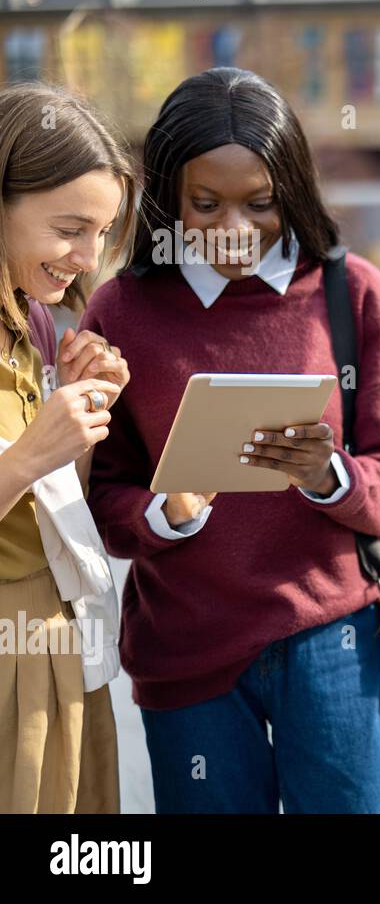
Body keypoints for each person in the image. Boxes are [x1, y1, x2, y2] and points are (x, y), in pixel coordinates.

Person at [79, 68, 380, 813]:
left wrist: (329, 474)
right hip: (186, 647)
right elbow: (100, 496)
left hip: (331, 641)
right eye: (205, 204)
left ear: (290, 189)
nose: (234, 228)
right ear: (168, 194)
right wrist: (165, 513)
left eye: (259, 203)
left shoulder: (351, 291)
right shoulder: (120, 309)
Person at [0, 82, 135, 812]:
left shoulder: (39, 325)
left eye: (102, 233)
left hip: (57, 648)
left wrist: (83, 418)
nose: (86, 259)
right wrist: (25, 455)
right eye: (69, 228)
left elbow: (55, 507)